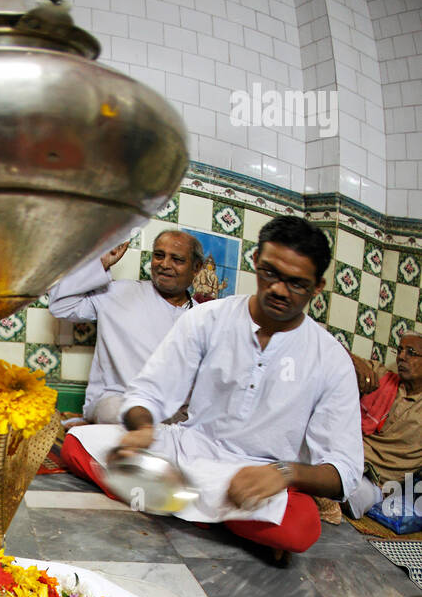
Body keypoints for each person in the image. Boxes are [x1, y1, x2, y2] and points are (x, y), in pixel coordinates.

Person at [64, 215, 363, 559]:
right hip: (187, 450)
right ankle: (215, 514)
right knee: (76, 445)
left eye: (296, 283)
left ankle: (176, 502)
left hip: (255, 475)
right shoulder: (207, 319)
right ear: (255, 262)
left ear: (318, 286)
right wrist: (142, 428)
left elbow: (345, 471)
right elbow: (150, 392)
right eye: (270, 274)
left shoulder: (330, 358)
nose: (279, 290)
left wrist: (284, 473)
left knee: (300, 528)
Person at [47, 229, 204, 423]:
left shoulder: (203, 318)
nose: (164, 264)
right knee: (116, 410)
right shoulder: (118, 293)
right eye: (159, 256)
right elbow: (61, 306)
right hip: (118, 405)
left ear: (196, 268)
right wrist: (101, 263)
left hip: (173, 415)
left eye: (177, 259)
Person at [343, 332, 422, 519]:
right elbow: (331, 351)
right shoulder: (382, 378)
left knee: (354, 495)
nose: (402, 357)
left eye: (411, 352)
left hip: (373, 482)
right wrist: (355, 361)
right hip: (344, 457)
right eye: (400, 350)